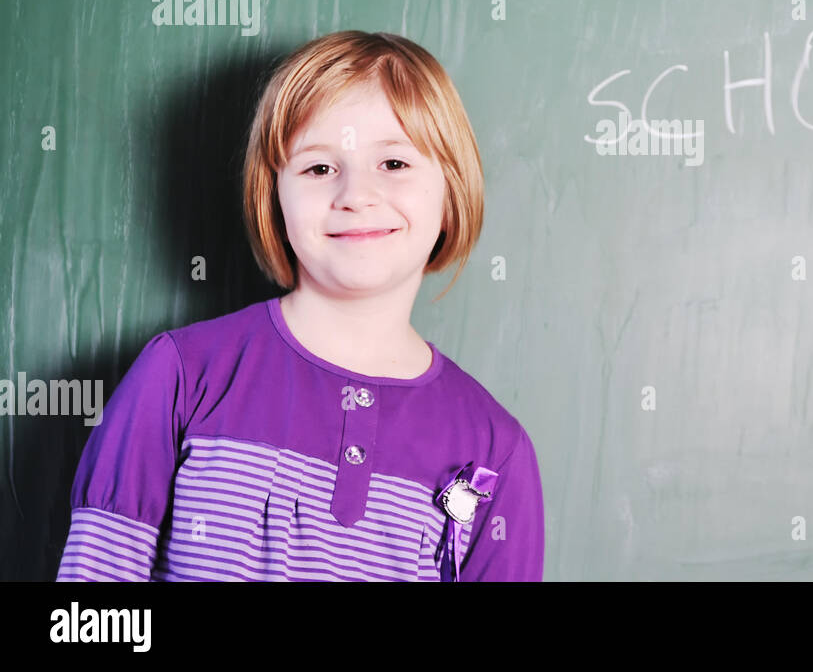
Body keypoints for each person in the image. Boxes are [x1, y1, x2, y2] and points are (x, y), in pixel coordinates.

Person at [56, 30, 544, 581]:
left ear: (452, 195)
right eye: (318, 168)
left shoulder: (496, 448)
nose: (356, 195)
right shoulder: (181, 376)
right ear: (275, 199)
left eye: (394, 164)